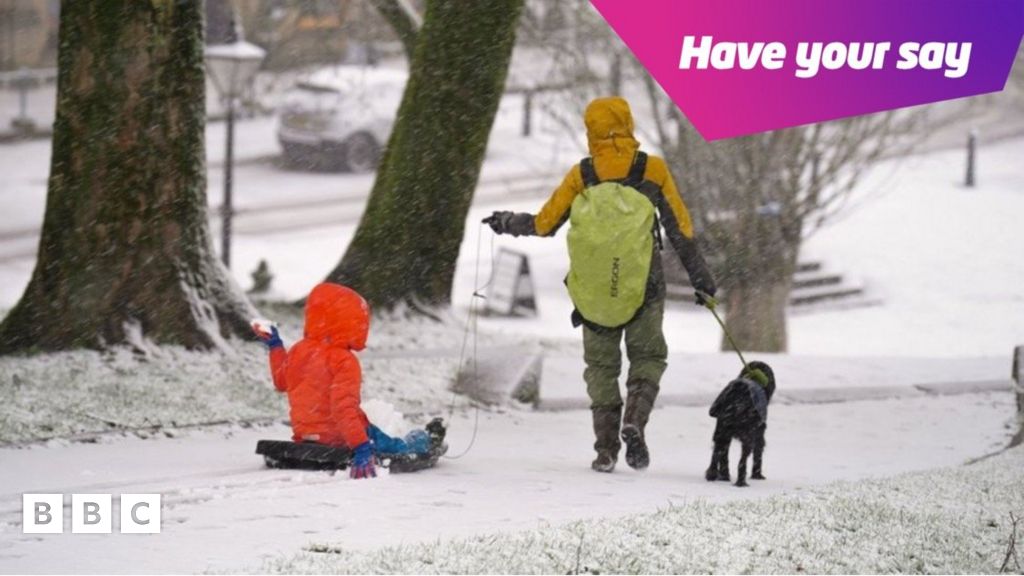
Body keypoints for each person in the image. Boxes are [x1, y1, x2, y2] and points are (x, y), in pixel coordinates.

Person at [484, 97, 717, 473]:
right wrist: (701, 279)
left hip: (593, 290)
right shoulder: (652, 170)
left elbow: (545, 224)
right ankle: (634, 421)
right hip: (644, 284)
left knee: (601, 367)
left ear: (591, 130)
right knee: (647, 357)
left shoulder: (582, 174)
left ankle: (605, 450)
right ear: (627, 124)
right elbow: (680, 228)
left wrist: (508, 221)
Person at [254, 282, 437, 479]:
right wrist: (361, 446)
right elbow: (343, 408)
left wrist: (275, 346)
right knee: (397, 447)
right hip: (343, 436)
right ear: (352, 322)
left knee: (361, 429)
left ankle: (420, 437)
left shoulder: (299, 351)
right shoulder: (343, 360)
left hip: (306, 434)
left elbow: (281, 381)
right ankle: (423, 440)